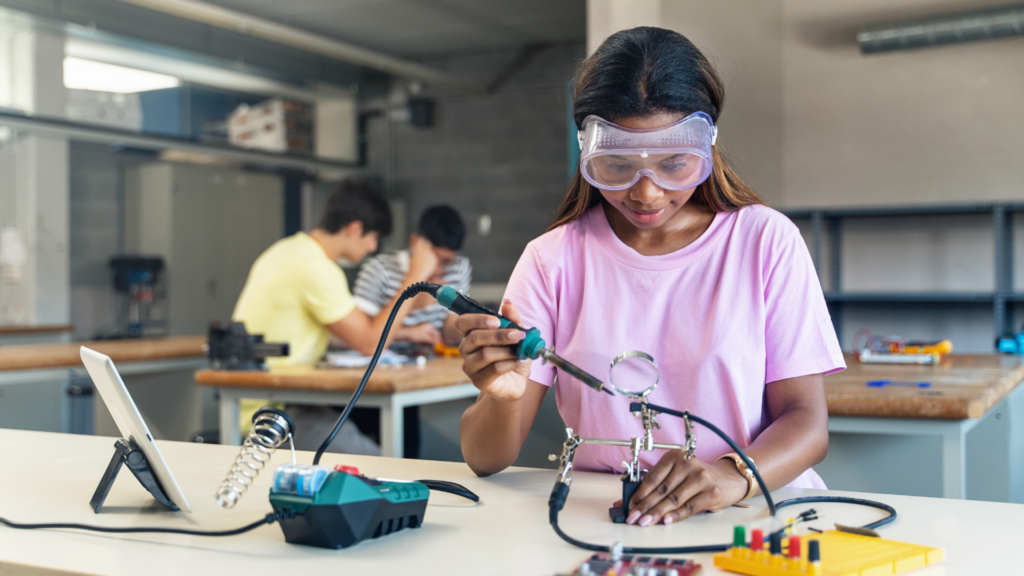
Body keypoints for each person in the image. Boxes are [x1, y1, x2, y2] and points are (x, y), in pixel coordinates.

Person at [457, 27, 844, 528]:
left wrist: (733, 475)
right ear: (588, 153)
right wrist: (500, 397)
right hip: (612, 517)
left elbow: (807, 424)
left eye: (674, 165)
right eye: (617, 166)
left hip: (753, 513)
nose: (646, 193)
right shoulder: (552, 259)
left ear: (706, 149)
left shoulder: (765, 240)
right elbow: (486, 458)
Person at [232, 179, 439, 453]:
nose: (372, 248)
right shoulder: (316, 268)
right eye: (373, 237)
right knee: (384, 464)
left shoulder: (286, 251)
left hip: (259, 400)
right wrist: (415, 277)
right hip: (275, 411)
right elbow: (367, 342)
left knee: (367, 427)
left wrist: (404, 333)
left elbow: (341, 333)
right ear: (355, 228)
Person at [353, 205, 472, 347]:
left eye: (446, 262)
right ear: (415, 242)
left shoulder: (458, 267)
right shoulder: (378, 269)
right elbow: (357, 335)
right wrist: (414, 285)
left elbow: (449, 328)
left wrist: (469, 323)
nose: (439, 269)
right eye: (434, 259)